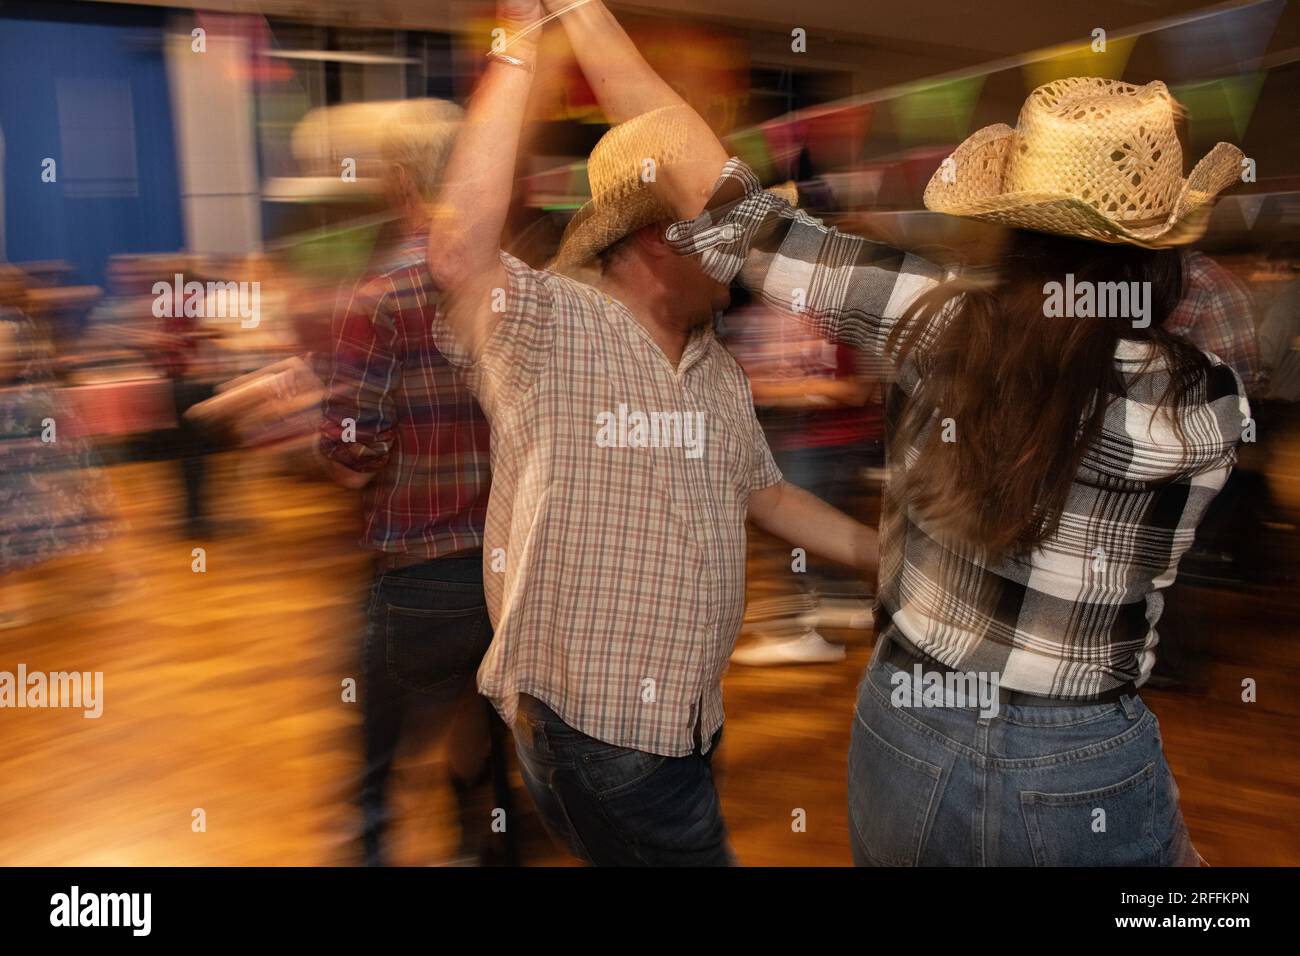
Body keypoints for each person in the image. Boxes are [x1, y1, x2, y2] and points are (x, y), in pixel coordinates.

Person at [553, 3, 1247, 866]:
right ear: (1162, 252)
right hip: (1076, 758)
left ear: (1014, 227)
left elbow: (714, 192)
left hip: (909, 729)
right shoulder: (1207, 400)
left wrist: (581, 15)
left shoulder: (935, 319)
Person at [424, 0, 878, 866]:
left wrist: (886, 555)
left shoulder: (716, 370)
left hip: (689, 722)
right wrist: (519, 47)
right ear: (663, 239)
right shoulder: (549, 328)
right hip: (599, 736)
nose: (736, 258)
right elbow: (459, 256)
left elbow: (772, 496)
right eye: (714, 235)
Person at [317, 100, 500, 866]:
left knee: (370, 776)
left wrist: (320, 436)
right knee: (486, 769)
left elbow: (351, 449)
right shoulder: (510, 284)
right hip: (501, 568)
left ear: (398, 180)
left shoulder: (381, 296)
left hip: (414, 571)